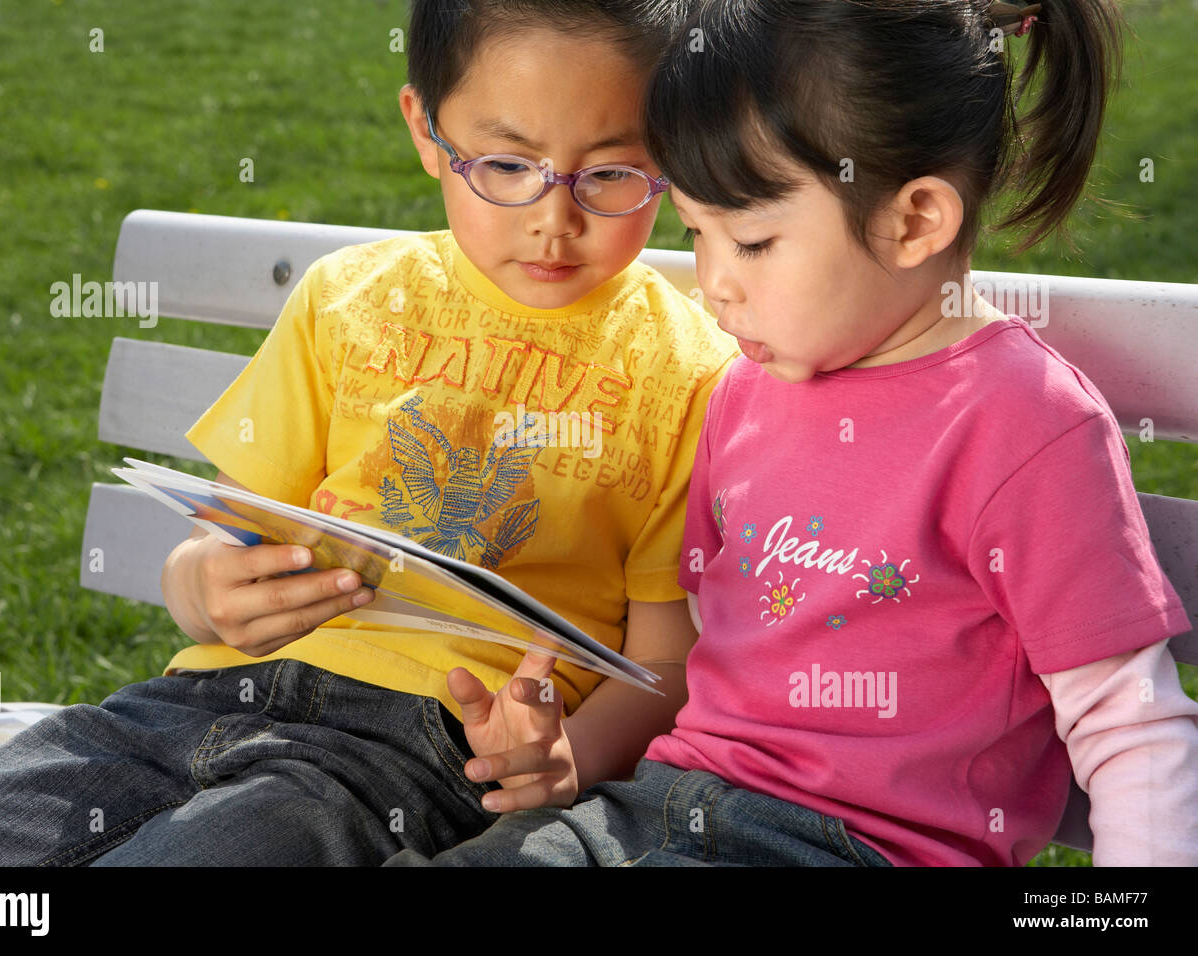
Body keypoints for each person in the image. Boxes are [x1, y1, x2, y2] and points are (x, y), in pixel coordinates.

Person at [0, 0, 737, 866]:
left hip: (411, 750)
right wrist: (203, 587)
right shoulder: (348, 297)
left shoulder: (688, 372)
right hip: (189, 704)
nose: (552, 218)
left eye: (611, 174)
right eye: (505, 164)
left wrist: (563, 763)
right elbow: (224, 539)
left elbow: (667, 668)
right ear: (426, 129)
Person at [386, 0, 1198, 867]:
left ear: (915, 220)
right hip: (656, 807)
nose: (714, 283)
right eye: (697, 233)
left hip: (859, 846)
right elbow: (701, 643)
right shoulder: (743, 392)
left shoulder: (1024, 423)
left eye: (752, 242)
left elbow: (1130, 726)